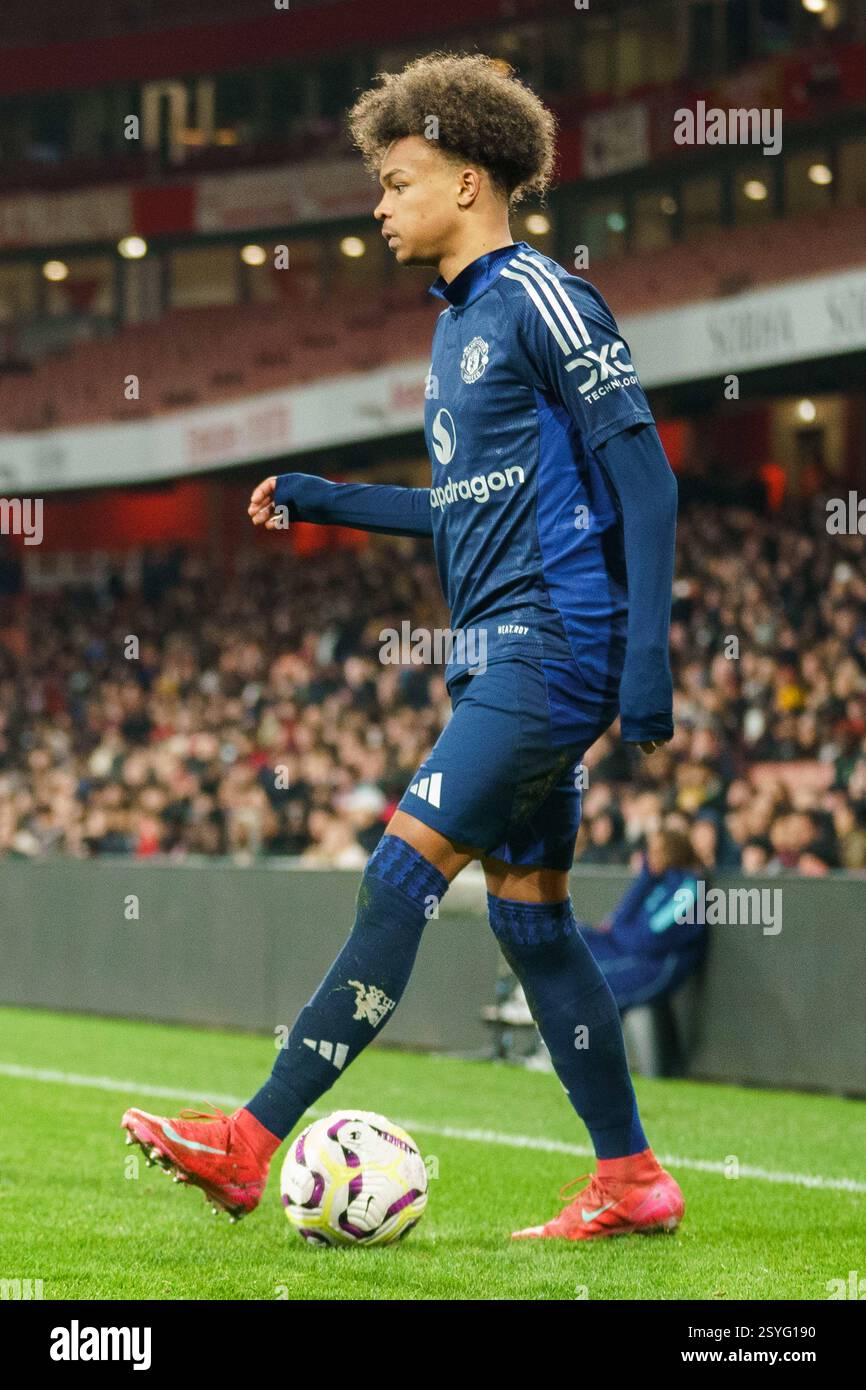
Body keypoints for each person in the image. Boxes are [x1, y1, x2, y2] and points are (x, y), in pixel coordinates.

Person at [122, 52, 681, 1242]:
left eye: (396, 179)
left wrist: (645, 665)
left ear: (469, 181)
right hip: (494, 651)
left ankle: (250, 1137)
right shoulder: (458, 326)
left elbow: (645, 475)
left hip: (551, 643)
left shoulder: (539, 296)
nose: (377, 204)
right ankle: (629, 1176)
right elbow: (464, 505)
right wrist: (330, 497)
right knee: (529, 917)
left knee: (398, 873)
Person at [576, 830, 706, 1014]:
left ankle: (586, 1041)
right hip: (630, 950)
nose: (650, 856)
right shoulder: (654, 879)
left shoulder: (688, 888)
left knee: (591, 989)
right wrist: (646, 877)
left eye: (657, 851)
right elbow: (621, 917)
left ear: (673, 853)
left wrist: (617, 931)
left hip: (658, 966)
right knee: (575, 935)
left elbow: (649, 940)